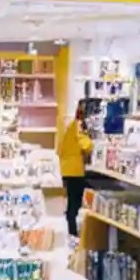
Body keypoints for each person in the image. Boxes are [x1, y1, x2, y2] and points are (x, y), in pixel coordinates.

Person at [57, 100, 93, 237]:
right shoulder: (78, 125)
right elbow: (85, 145)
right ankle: (73, 233)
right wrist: (94, 145)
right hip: (75, 170)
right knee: (75, 204)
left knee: (72, 201)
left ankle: (71, 231)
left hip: (67, 168)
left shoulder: (70, 125)